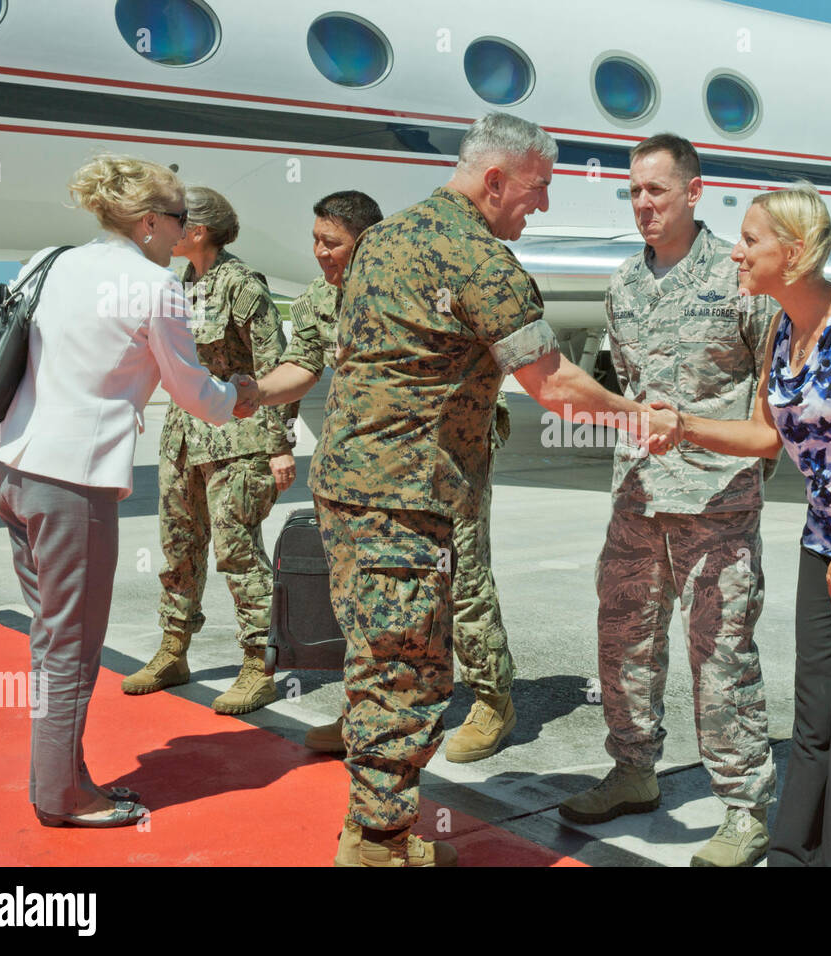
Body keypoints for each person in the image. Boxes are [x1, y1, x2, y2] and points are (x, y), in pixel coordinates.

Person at [306, 112, 677, 867]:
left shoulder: (383, 238)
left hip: (349, 486)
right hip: (406, 499)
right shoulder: (480, 260)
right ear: (495, 179)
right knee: (404, 674)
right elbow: (557, 386)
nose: (539, 207)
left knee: (376, 660)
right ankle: (373, 846)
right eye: (536, 191)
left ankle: (377, 827)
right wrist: (643, 417)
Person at [647, 183, 831, 866]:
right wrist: (683, 424)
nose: (735, 256)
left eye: (750, 241)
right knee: (814, 712)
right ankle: (791, 852)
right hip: (826, 539)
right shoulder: (782, 329)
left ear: (797, 250)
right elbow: (762, 437)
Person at [0, 155, 258, 827]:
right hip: (72, 485)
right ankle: (63, 797)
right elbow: (194, 393)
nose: (184, 229)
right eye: (180, 218)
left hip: (14, 467)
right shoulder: (155, 285)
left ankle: (60, 772)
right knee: (71, 646)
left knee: (52, 639)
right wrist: (239, 395)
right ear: (151, 222)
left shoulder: (51, 259)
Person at [556, 134, 779, 868]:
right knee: (622, 639)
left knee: (720, 654)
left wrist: (742, 472)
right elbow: (624, 386)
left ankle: (744, 806)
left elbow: (769, 401)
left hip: (717, 500)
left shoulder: (739, 275)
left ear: (693, 191)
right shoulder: (623, 283)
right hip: (637, 494)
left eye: (656, 190)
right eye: (633, 193)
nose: (643, 205)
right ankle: (632, 769)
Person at [261, 192, 522, 762]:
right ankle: (370, 711)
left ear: (368, 241)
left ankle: (493, 699)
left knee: (464, 579)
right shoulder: (318, 301)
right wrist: (251, 395)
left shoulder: (423, 279)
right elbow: (302, 365)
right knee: (367, 597)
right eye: (315, 241)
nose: (319, 254)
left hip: (443, 464)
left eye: (330, 243)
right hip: (367, 474)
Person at [121, 186, 293, 715]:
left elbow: (278, 367)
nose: (164, 231)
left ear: (197, 231)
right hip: (183, 438)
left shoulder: (243, 286)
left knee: (237, 552)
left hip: (238, 442)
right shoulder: (181, 283)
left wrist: (280, 446)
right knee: (178, 548)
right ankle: (174, 650)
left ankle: (257, 665)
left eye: (175, 221)